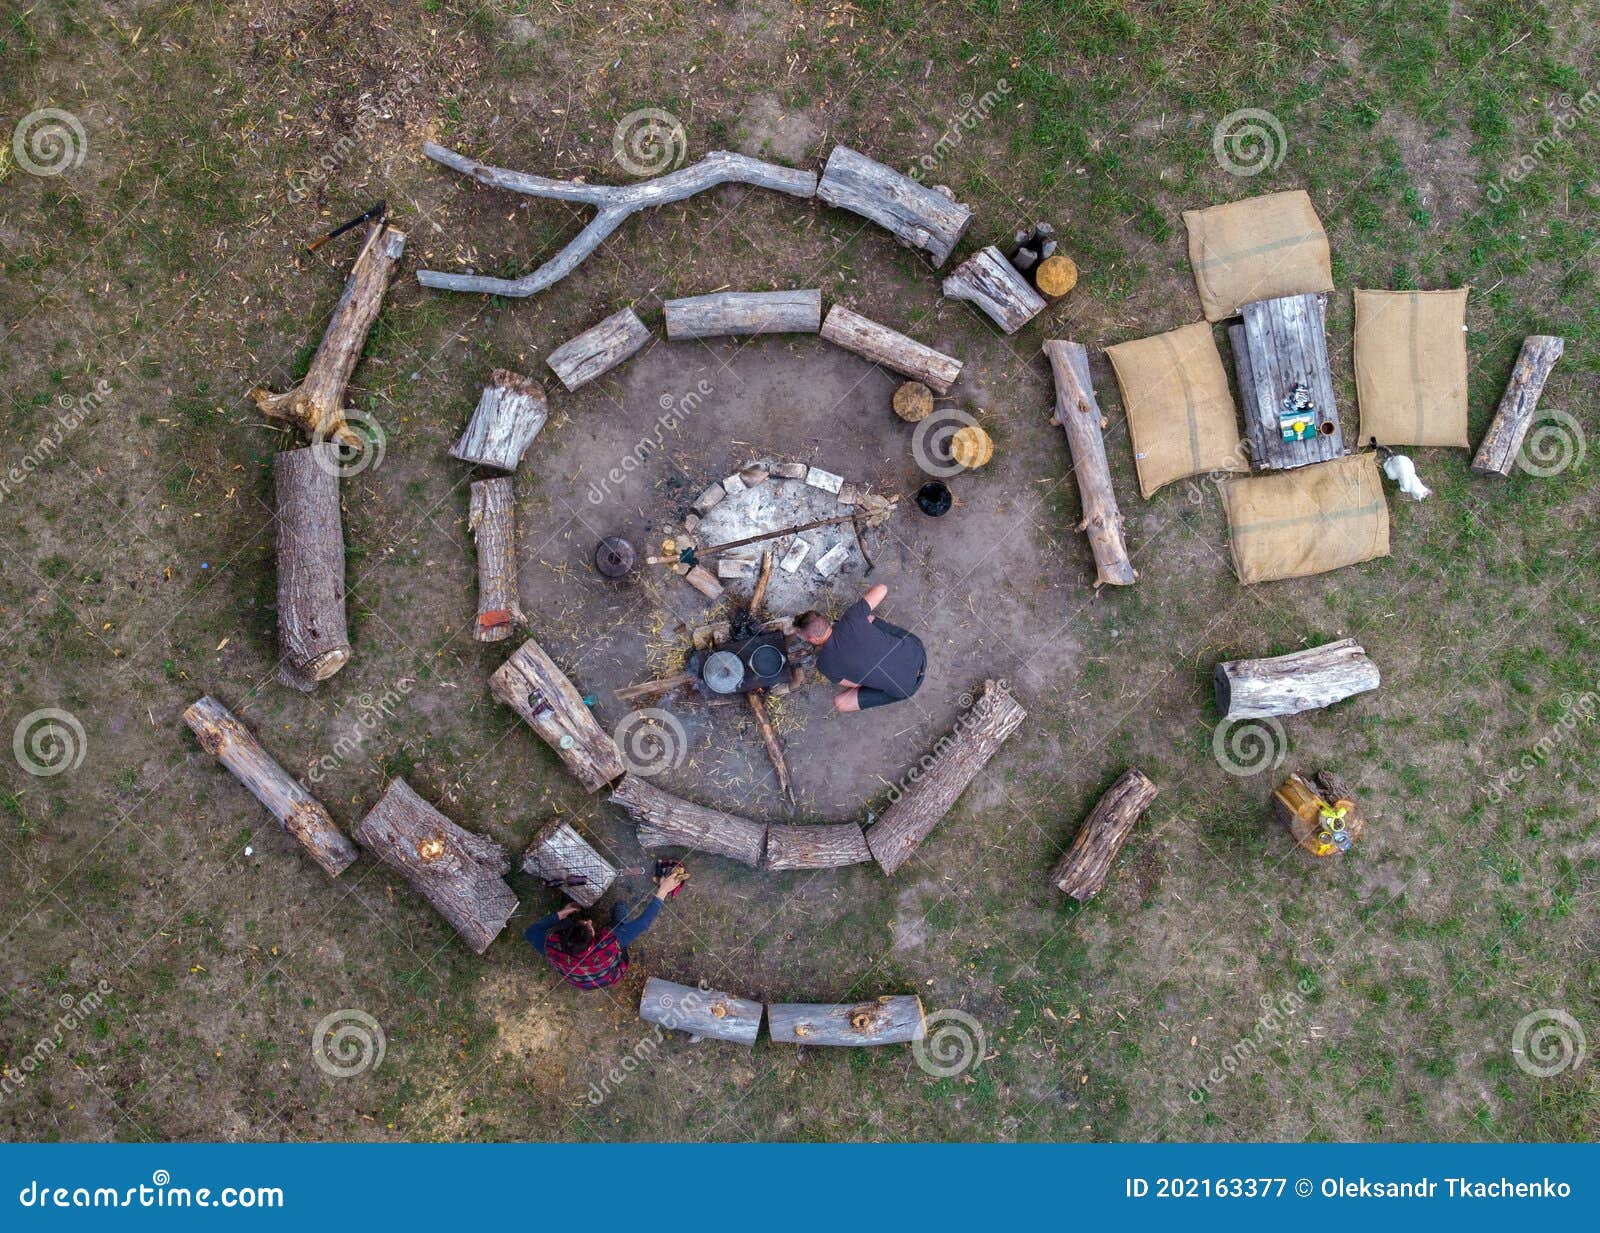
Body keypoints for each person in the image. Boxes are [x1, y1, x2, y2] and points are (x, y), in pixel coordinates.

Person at [525, 863, 688, 990]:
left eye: (584, 923)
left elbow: (530, 932)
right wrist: (663, 890)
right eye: (589, 926)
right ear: (593, 940)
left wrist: (562, 913)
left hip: (582, 981)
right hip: (609, 974)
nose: (589, 921)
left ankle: (568, 916)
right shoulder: (609, 944)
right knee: (621, 913)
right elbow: (642, 923)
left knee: (565, 919)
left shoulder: (553, 949)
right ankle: (619, 920)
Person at [797, 583, 926, 713]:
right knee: (868, 618)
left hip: (907, 687)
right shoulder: (852, 616)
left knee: (840, 703)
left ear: (813, 640)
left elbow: (857, 684)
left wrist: (865, 670)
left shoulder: (824, 664)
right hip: (917, 652)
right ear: (825, 621)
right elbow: (882, 588)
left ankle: (886, 684)